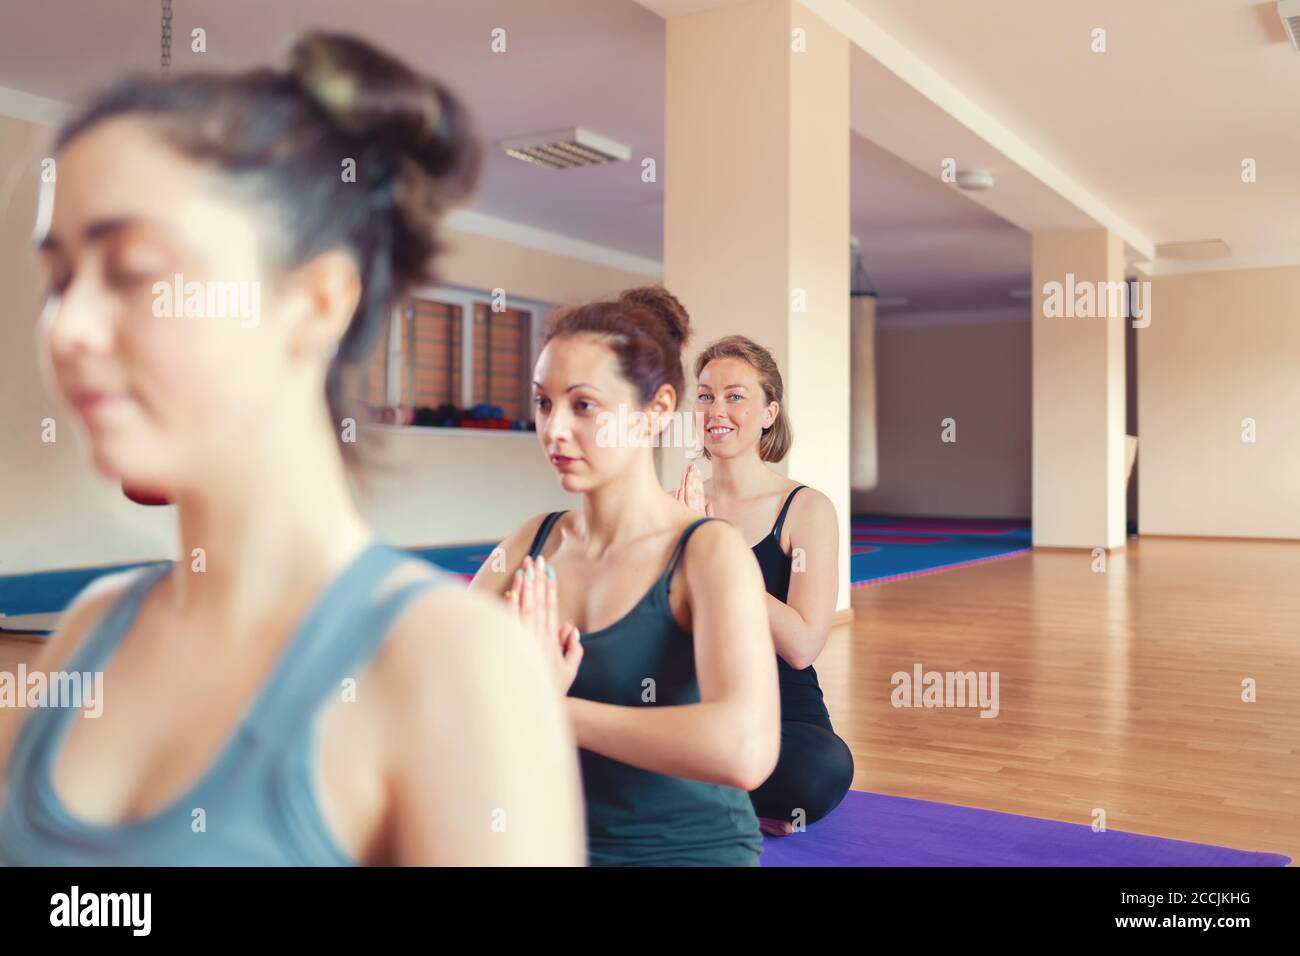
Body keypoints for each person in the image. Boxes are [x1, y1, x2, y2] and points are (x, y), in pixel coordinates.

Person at [0, 32, 583, 866]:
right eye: (60, 279)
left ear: (316, 302)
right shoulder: (88, 630)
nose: (71, 329)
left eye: (132, 270)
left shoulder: (452, 668)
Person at [470, 287, 780, 866]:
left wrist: (547, 706)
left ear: (657, 410)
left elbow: (745, 748)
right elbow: (448, 679)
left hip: (685, 851)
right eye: (543, 403)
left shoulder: (709, 552)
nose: (554, 429)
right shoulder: (529, 542)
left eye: (583, 405)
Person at [674, 334, 853, 835]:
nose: (716, 409)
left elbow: (801, 646)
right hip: (693, 710)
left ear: (769, 413)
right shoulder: (675, 505)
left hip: (781, 719)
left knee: (821, 771)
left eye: (736, 396)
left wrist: (713, 548)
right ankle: (715, 793)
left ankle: (682, 792)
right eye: (706, 394)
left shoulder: (806, 509)